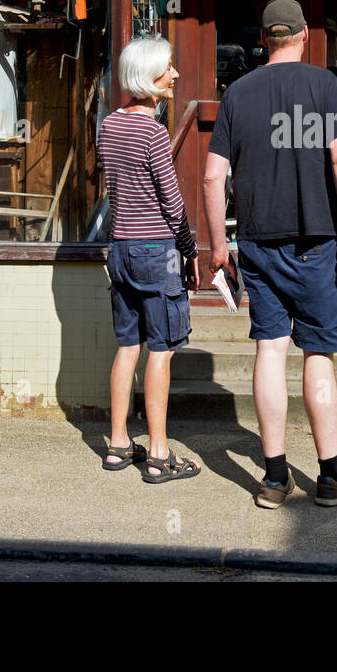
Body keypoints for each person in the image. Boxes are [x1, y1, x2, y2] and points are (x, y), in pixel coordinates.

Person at [202, 0, 337, 509]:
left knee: (270, 350)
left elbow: (212, 177)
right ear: (304, 36)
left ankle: (274, 479)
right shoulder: (326, 85)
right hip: (316, 243)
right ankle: (332, 475)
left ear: (263, 39)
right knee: (317, 354)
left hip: (257, 242)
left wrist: (218, 247)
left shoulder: (236, 93)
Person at [98, 36, 202, 483]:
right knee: (162, 349)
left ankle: (119, 444)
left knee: (128, 346)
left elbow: (115, 190)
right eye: (168, 68)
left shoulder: (109, 126)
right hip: (156, 251)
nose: (175, 74)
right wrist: (190, 249)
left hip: (120, 249)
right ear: (148, 76)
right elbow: (173, 204)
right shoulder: (153, 133)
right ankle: (159, 454)